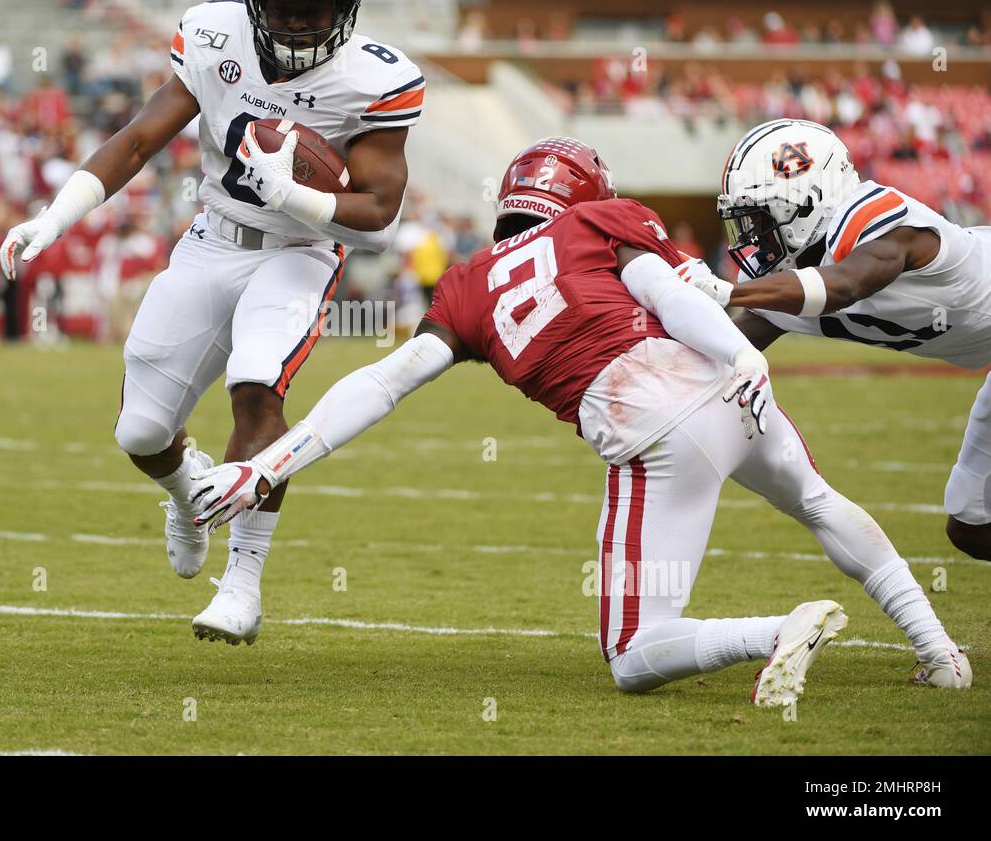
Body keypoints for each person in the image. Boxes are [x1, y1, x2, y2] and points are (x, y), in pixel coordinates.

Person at [188, 137, 971, 701]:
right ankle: (940, 652)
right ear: (583, 195)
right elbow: (669, 296)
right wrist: (742, 356)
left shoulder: (466, 286)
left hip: (652, 429)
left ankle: (778, 632)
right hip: (723, 387)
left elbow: (383, 383)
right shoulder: (606, 222)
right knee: (820, 502)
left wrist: (269, 465)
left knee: (633, 658)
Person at [0, 0, 423, 642]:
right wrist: (55, 215)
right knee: (139, 432)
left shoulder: (375, 78)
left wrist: (292, 196)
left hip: (298, 251)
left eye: (314, 8)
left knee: (257, 387)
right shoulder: (215, 35)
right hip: (210, 240)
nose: (295, 21)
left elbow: (378, 214)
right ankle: (187, 490)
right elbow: (137, 139)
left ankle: (242, 585)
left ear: (347, 6)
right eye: (282, 5)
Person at [676, 118, 991, 561]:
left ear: (804, 204)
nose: (752, 236)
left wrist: (729, 291)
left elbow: (843, 284)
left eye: (761, 218)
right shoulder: (787, 281)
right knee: (971, 527)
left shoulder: (874, 215)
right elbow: (718, 348)